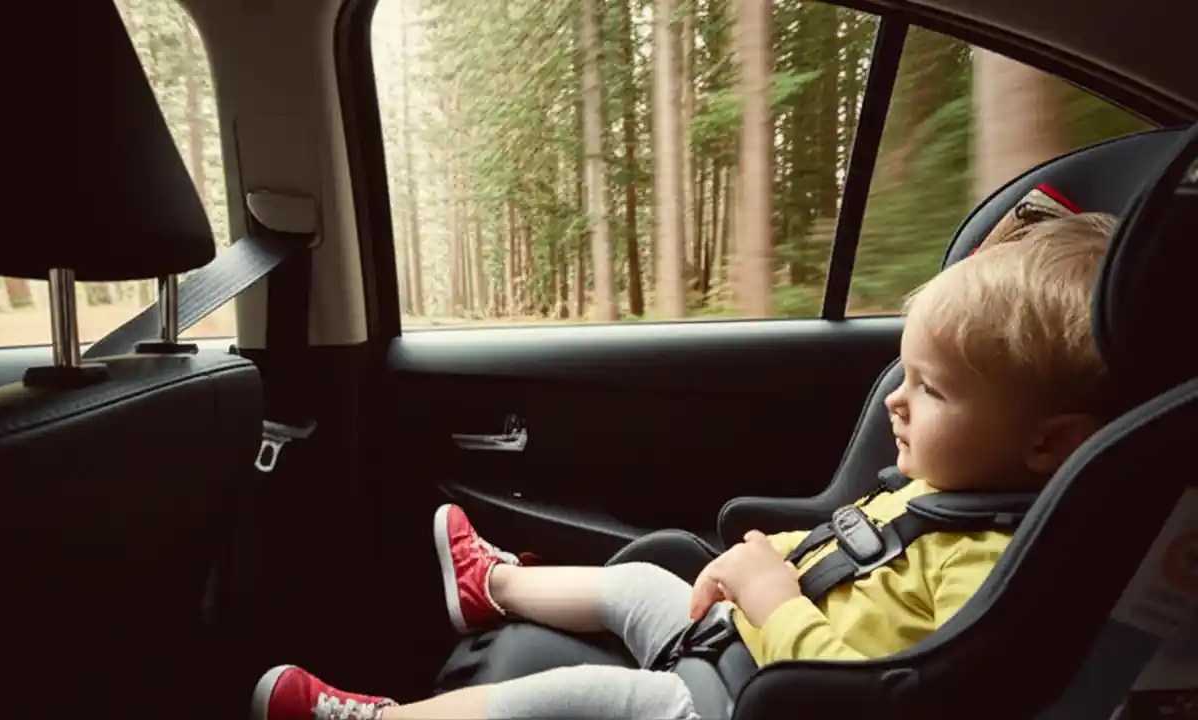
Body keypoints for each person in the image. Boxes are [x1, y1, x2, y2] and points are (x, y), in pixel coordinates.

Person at [250, 212, 1119, 720]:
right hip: (737, 643)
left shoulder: (995, 569)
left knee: (574, 692)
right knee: (634, 590)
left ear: (1049, 443)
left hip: (738, 705)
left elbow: (887, 698)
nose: (896, 402)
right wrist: (772, 558)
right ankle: (498, 587)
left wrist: (772, 596)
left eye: (929, 391)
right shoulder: (945, 491)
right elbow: (848, 551)